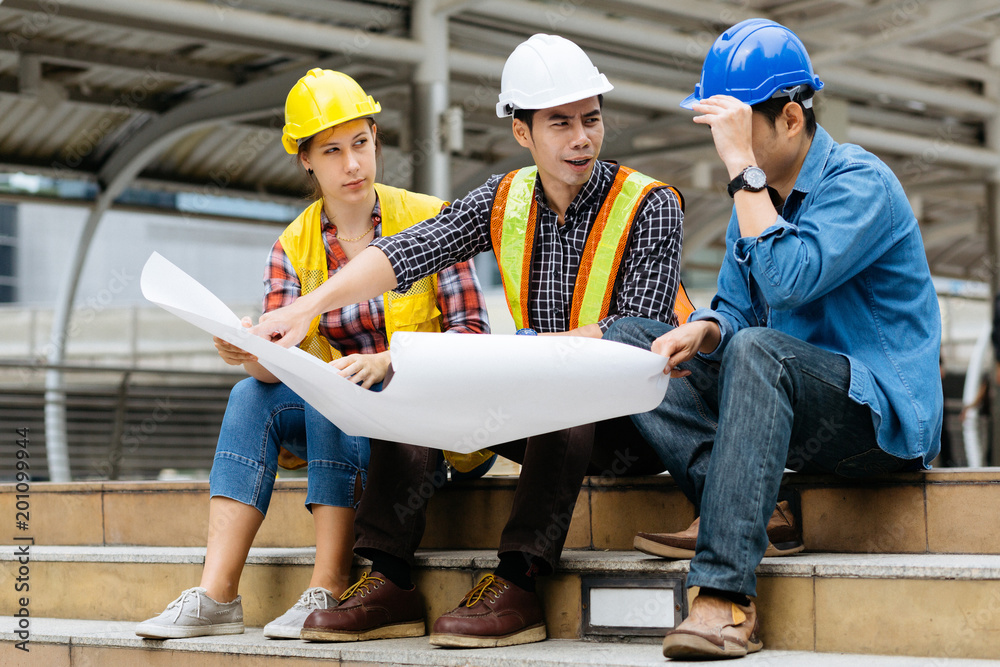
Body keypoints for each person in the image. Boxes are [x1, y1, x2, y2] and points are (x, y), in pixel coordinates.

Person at [252, 34, 687, 649]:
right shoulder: (502, 199)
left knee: (566, 383)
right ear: (523, 134)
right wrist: (307, 306)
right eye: (560, 123)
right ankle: (389, 579)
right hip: (547, 405)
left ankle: (518, 580)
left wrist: (532, 355)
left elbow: (633, 341)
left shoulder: (651, 204)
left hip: (641, 422)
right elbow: (407, 251)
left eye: (591, 119)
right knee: (417, 374)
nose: (582, 137)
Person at [606, 19, 942, 660]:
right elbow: (737, 307)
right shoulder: (754, 201)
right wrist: (704, 331)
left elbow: (787, 283)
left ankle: (724, 597)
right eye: (719, 136)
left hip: (878, 423)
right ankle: (745, 506)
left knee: (761, 350)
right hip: (788, 401)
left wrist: (742, 171)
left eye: (735, 134)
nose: (724, 151)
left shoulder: (860, 184)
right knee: (631, 340)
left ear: (791, 118)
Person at [135, 69, 489, 640]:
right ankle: (217, 594)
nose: (352, 164)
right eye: (332, 150)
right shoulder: (293, 246)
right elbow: (280, 364)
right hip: (340, 427)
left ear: (376, 140)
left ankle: (327, 586)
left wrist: (390, 362)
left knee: (329, 386)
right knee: (253, 393)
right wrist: (246, 350)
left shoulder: (432, 220)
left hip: (425, 433)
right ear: (306, 160)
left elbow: (472, 336)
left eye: (360, 144)